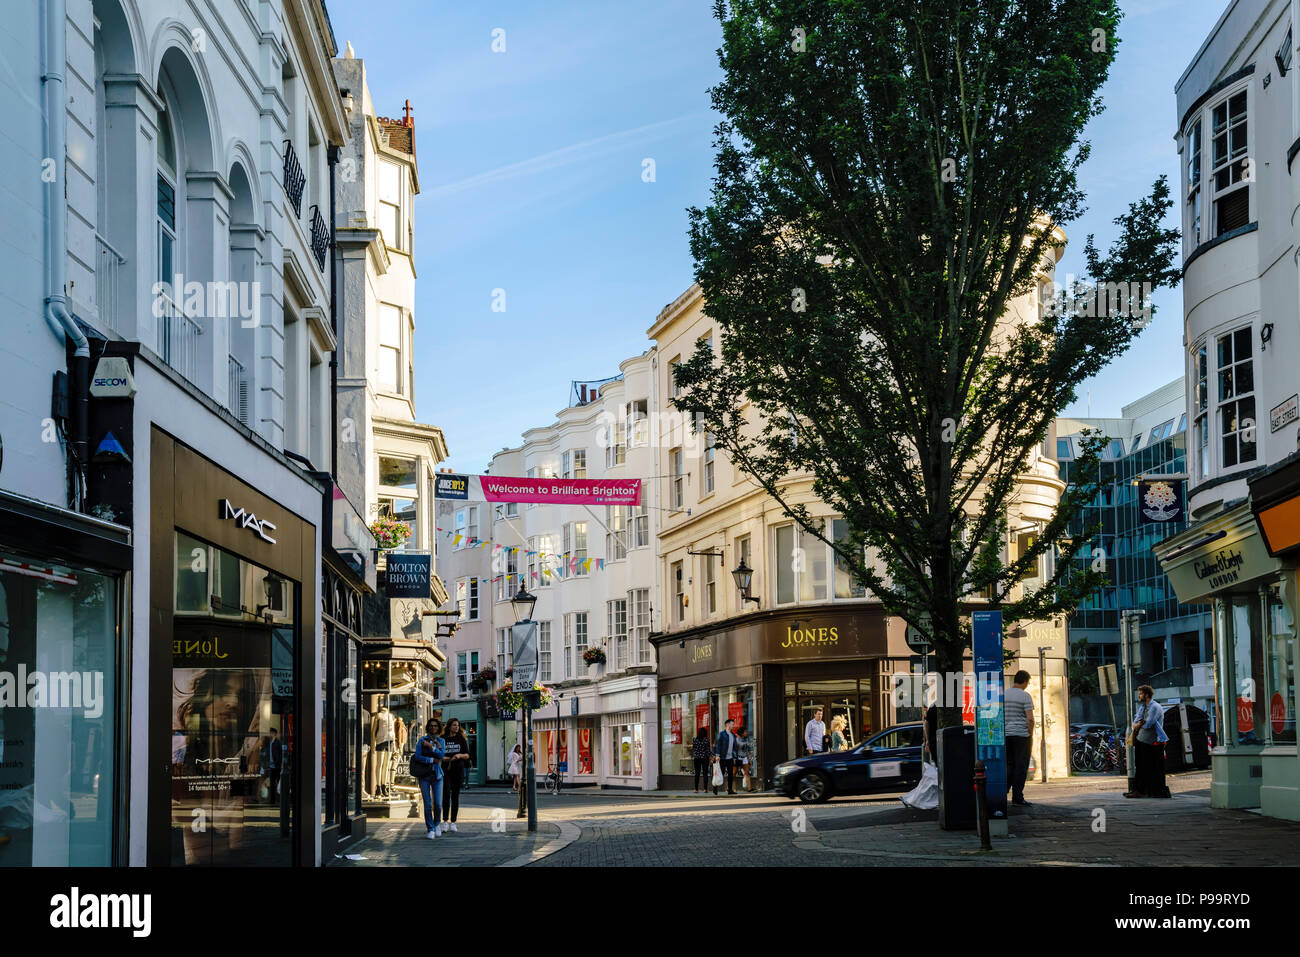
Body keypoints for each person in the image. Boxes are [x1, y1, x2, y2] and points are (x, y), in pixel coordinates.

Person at [1127, 685, 1170, 799]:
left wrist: (1139, 724)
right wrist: (1138, 724)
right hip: (1140, 740)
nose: (1139, 696)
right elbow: (1134, 723)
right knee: (1139, 766)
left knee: (1149, 767)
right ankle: (1137, 790)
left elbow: (1148, 724)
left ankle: (1146, 791)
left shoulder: (1155, 707)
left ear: (1146, 694)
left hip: (1151, 742)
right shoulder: (1142, 707)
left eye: (1140, 693)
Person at [1004, 670, 1034, 807]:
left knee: (1009, 764)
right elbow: (1030, 719)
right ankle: (1017, 797)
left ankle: (1003, 792)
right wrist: (1030, 733)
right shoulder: (1025, 696)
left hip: (1006, 735)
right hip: (1022, 736)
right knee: (1021, 766)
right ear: (1025, 681)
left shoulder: (1004, 694)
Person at [411, 718, 445, 839]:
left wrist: (431, 747)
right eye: (431, 726)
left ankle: (437, 824)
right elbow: (417, 756)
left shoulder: (441, 740)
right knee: (427, 804)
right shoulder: (422, 740)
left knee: (438, 804)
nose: (433, 728)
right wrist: (430, 760)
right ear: (428, 727)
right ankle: (430, 828)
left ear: (438, 728)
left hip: (438, 775)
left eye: (435, 726)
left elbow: (441, 755)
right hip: (424, 775)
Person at [441, 718, 471, 831]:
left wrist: (460, 756)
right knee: (446, 795)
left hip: (458, 770)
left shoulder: (461, 739)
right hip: (445, 770)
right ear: (449, 726)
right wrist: (443, 758)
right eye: (454, 725)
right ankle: (445, 821)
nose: (456, 727)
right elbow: (439, 753)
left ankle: (453, 822)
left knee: (455, 796)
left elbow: (467, 755)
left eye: (457, 725)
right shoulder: (443, 739)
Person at [715, 718, 739, 795]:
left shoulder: (733, 735)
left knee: (730, 775)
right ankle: (715, 788)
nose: (733, 726)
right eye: (732, 724)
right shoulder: (722, 734)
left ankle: (730, 790)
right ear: (727, 725)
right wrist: (717, 755)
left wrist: (735, 757)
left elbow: (735, 747)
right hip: (722, 757)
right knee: (720, 773)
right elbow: (718, 745)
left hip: (730, 758)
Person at [261, 727, 282, 803]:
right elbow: (267, 753)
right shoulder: (269, 743)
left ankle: (280, 799)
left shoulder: (278, 742)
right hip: (271, 767)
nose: (269, 734)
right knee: (272, 784)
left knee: (279, 783)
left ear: (274, 734)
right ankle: (272, 800)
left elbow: (280, 754)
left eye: (270, 733)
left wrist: (280, 763)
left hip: (277, 766)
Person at [691, 726, 712, 793]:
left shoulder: (694, 740)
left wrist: (695, 755)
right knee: (705, 774)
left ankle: (696, 789)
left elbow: (693, 749)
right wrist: (712, 756)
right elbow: (708, 751)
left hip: (697, 758)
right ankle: (705, 789)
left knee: (697, 774)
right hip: (704, 758)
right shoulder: (706, 740)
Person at [736, 727, 755, 791]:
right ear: (742, 733)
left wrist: (750, 759)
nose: (747, 733)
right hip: (738, 758)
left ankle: (749, 788)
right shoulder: (737, 740)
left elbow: (749, 750)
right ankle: (730, 788)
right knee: (733, 773)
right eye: (745, 732)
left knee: (747, 773)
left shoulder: (747, 740)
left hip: (745, 758)